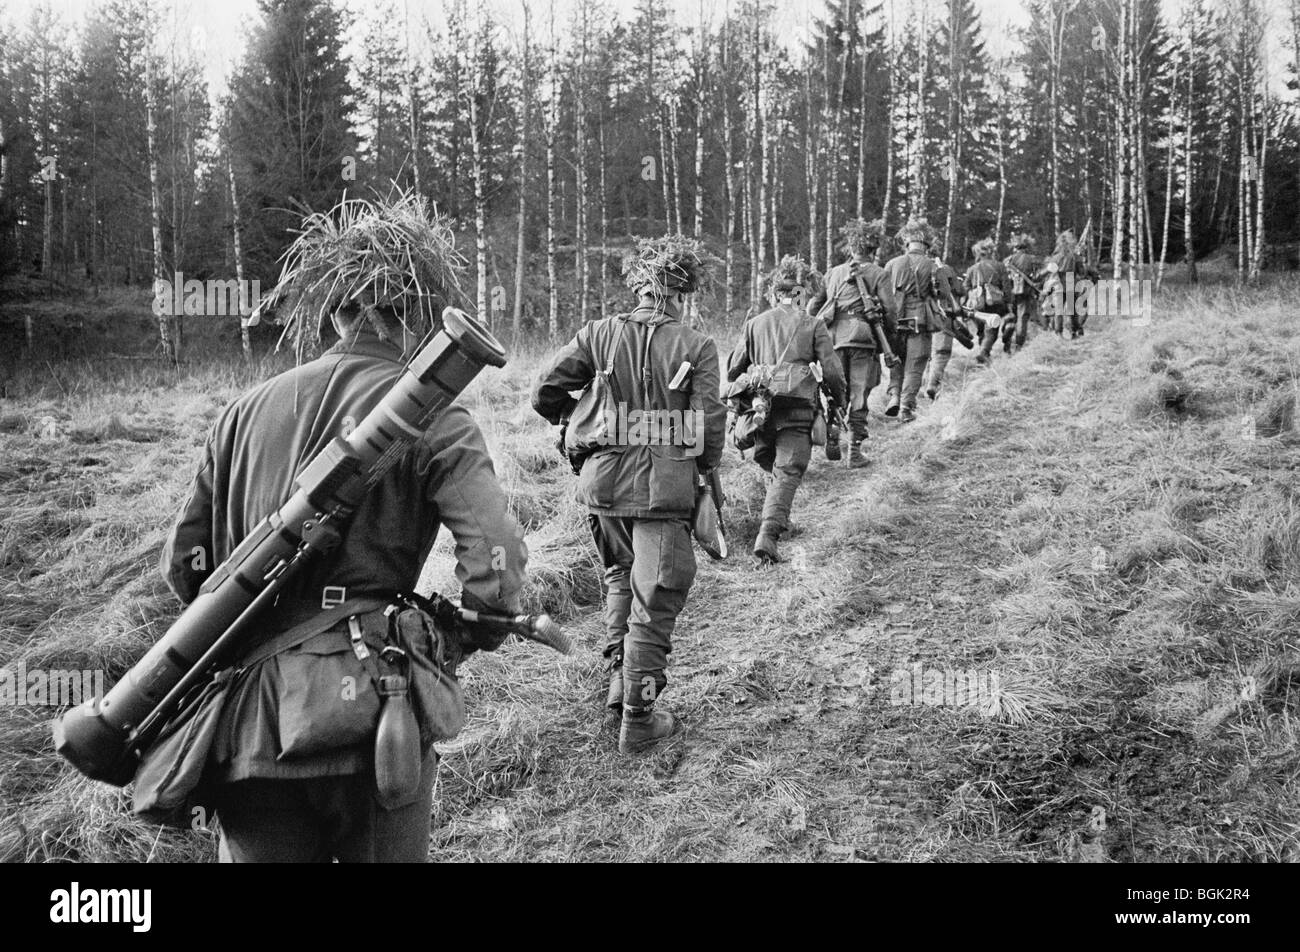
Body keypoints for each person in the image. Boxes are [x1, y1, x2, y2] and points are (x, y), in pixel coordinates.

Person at [160, 194, 528, 862]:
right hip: (376, 705)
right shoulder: (435, 415)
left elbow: (185, 567)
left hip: (250, 718)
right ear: (414, 312)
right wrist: (465, 637)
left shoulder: (240, 413)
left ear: (330, 309)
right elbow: (496, 563)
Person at [530, 235, 725, 754]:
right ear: (679, 295)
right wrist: (702, 472)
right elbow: (705, 429)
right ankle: (638, 717)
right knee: (656, 596)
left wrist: (580, 423)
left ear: (640, 287)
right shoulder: (697, 346)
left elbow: (542, 393)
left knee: (621, 577)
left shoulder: (597, 334)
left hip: (602, 484)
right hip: (662, 490)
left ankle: (620, 683)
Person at [728, 256, 845, 563]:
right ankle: (768, 534)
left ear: (773, 295)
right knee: (788, 471)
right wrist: (838, 400)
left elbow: (732, 369)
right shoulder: (813, 324)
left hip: (761, 408)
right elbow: (831, 371)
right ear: (799, 296)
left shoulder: (754, 324)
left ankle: (780, 516)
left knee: (772, 464)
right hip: (797, 409)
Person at [807, 218, 893, 467]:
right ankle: (854, 452)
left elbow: (814, 304)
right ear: (873, 249)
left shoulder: (833, 272)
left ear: (851, 248)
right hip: (863, 339)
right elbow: (890, 310)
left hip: (832, 338)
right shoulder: (879, 273)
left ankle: (833, 429)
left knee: (836, 389)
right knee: (858, 393)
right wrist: (889, 337)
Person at [882, 218, 958, 423]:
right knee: (915, 366)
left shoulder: (891, 264)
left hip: (895, 322)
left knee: (896, 363)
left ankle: (894, 396)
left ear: (907, 243)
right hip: (920, 322)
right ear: (926, 245)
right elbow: (943, 294)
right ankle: (906, 407)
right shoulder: (932, 265)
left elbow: (882, 293)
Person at [925, 252, 969, 399]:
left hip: (921, 317)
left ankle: (922, 384)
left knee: (925, 354)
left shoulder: (915, 266)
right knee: (941, 354)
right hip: (943, 316)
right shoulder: (946, 269)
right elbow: (960, 290)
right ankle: (932, 385)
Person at [964, 238, 1014, 366]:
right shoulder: (999, 266)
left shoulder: (972, 268)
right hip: (995, 302)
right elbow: (1006, 286)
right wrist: (1008, 302)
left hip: (977, 303)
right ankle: (984, 353)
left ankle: (983, 354)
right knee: (991, 330)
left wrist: (971, 294)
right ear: (990, 252)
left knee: (981, 330)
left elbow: (965, 286)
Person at [1002, 233, 1042, 351]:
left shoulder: (1007, 260)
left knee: (1009, 318)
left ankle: (1007, 343)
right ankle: (1018, 346)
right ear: (1026, 247)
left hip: (1010, 293)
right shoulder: (1032, 259)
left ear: (1015, 248)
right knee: (1022, 319)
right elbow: (1037, 276)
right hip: (1025, 292)